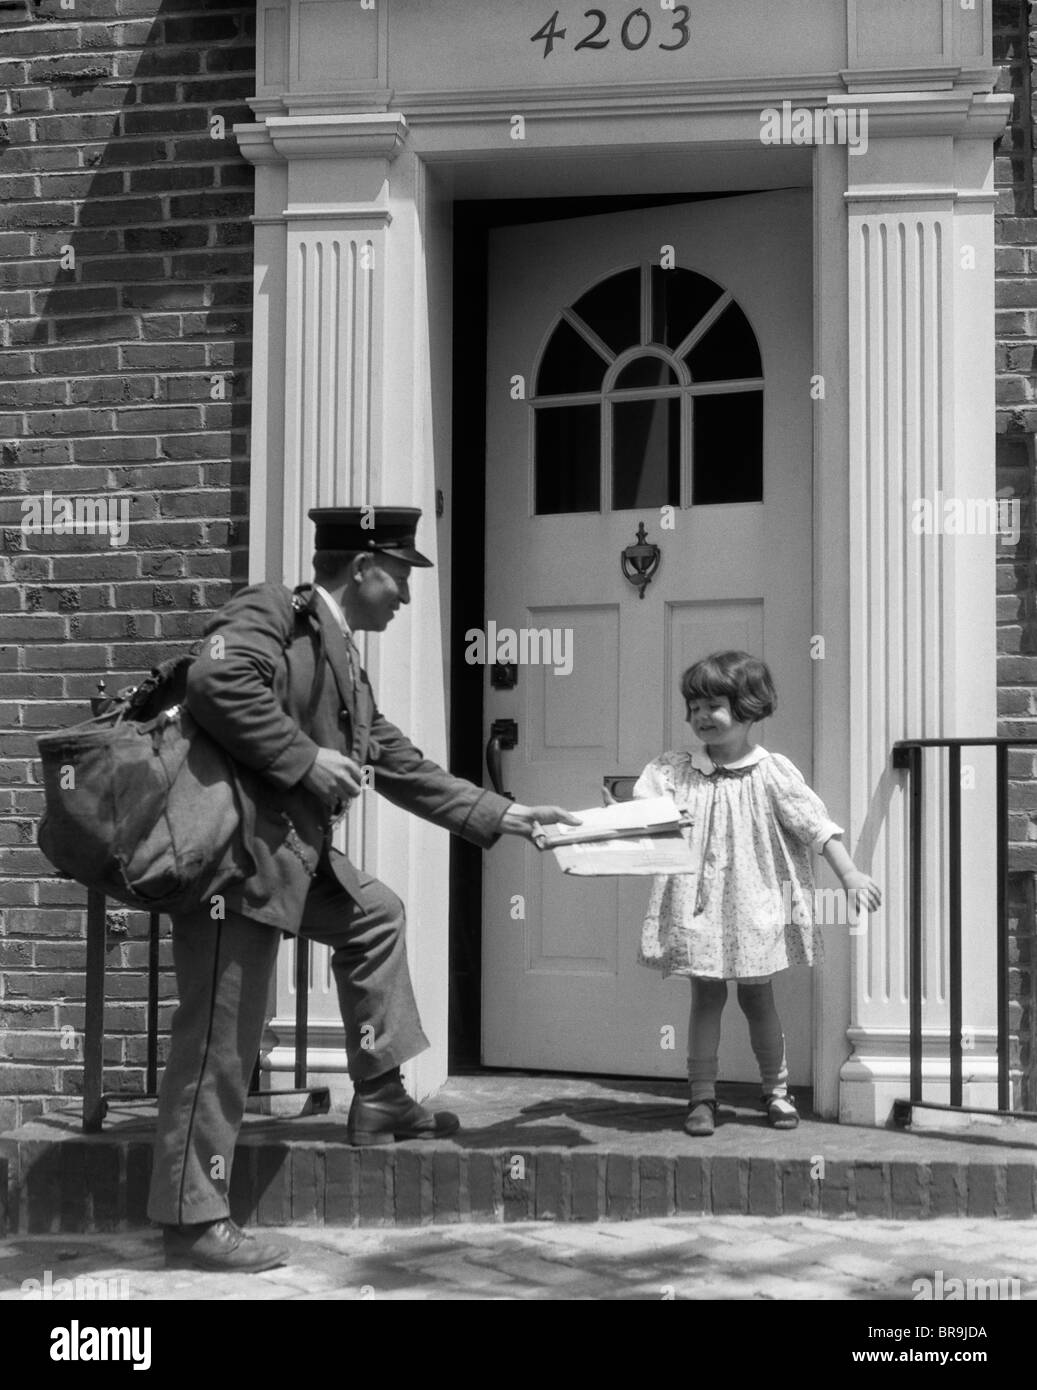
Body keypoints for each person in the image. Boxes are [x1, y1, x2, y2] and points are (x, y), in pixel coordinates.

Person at [149, 505, 579, 1272]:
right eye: (401, 576)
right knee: (219, 1036)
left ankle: (379, 1092)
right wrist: (304, 758)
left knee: (373, 914)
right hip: (233, 862)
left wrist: (504, 814)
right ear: (361, 569)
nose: (407, 596)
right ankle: (192, 1216)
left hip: (286, 857)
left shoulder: (342, 655)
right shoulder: (274, 609)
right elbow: (214, 679)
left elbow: (394, 757)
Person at [632, 650, 880, 1138]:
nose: (702, 716)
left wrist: (849, 874)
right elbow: (643, 819)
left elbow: (817, 828)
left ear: (748, 708)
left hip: (757, 904)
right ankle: (702, 1097)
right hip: (697, 905)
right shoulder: (672, 771)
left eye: (714, 706)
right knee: (705, 996)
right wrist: (614, 820)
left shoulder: (772, 772)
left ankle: (777, 1091)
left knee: (758, 997)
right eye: (695, 706)